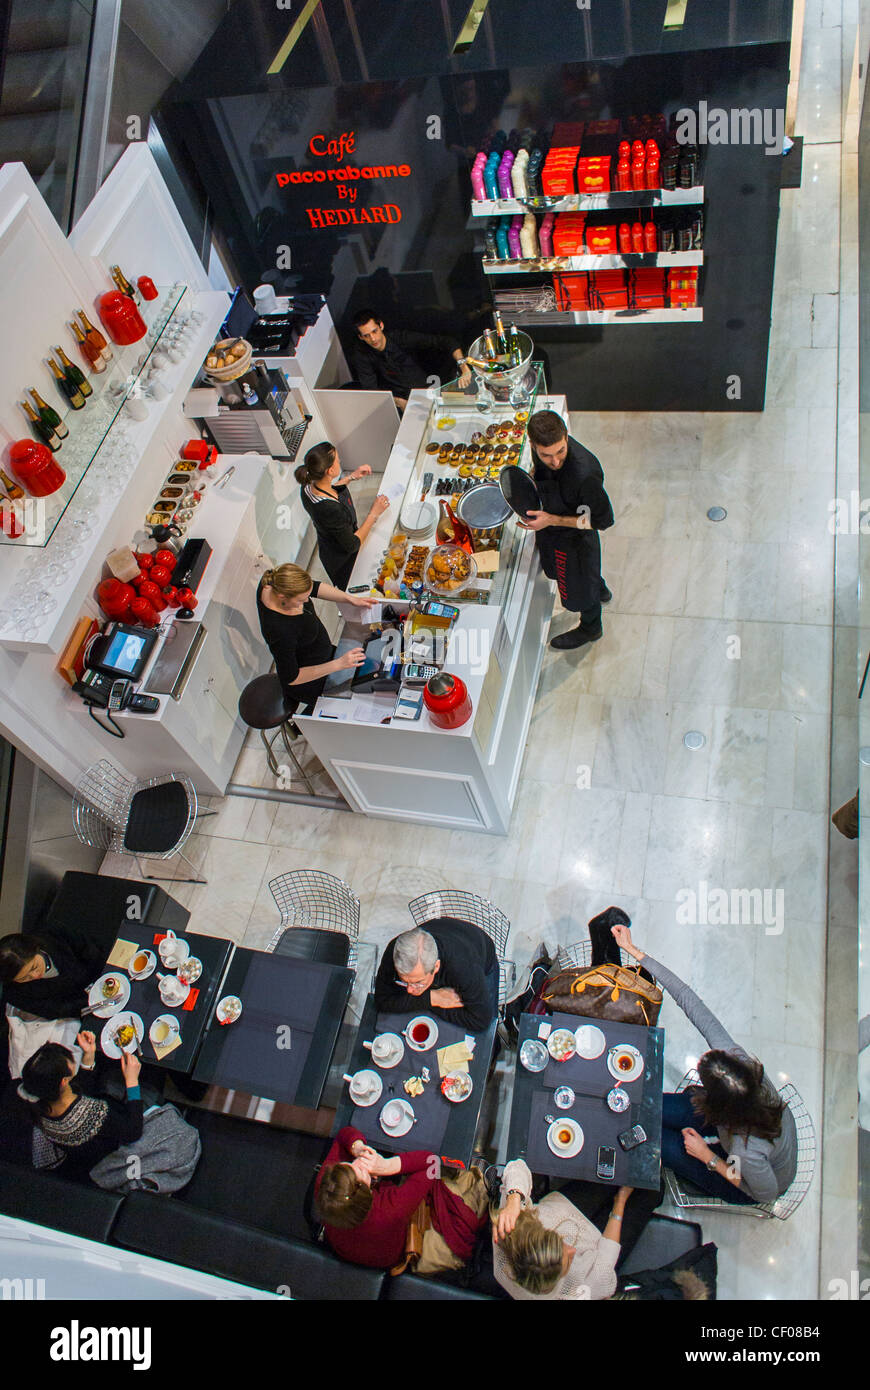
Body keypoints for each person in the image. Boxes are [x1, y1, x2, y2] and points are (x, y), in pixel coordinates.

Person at [611, 921, 798, 1206]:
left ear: (717, 1105)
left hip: (742, 1178)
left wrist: (708, 1157)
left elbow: (766, 1194)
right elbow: (689, 999)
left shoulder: (747, 1150)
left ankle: (697, 1158)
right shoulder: (740, 1064)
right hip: (734, 1126)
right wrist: (634, 951)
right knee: (648, 1105)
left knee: (660, 1141)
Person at [314, 1125, 488, 1274]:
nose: (359, 1162)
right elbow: (432, 1163)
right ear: (368, 1192)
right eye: (360, 1171)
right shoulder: (391, 1209)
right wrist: (386, 1166)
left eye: (350, 1164)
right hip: (388, 1256)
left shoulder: (328, 1186)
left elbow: (343, 1134)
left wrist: (357, 1148)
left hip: (350, 1248)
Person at [492, 1157, 649, 1300]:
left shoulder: (509, 1237)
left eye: (560, 1242)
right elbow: (606, 1259)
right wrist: (620, 1201)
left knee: (616, 1166)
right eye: (568, 1262)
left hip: (565, 1208)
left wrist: (513, 1199)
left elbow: (517, 1166)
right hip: (597, 1243)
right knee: (652, 1190)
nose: (572, 1251)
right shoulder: (576, 1295)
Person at [523, 410, 614, 651]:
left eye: (560, 452)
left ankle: (591, 627)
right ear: (533, 444)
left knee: (583, 588)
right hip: (552, 531)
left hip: (577, 540)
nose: (555, 462)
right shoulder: (541, 448)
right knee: (586, 579)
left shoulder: (584, 475)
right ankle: (601, 588)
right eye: (546, 455)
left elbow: (601, 521)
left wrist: (551, 519)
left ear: (566, 435)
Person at [19, 1031, 143, 1180]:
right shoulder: (92, 1113)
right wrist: (132, 1080)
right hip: (107, 1150)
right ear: (64, 1081)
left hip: (85, 1148)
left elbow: (80, 1090)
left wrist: (88, 1055)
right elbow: (133, 1132)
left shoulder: (41, 1106)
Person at [256, 562, 372, 708]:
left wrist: (349, 599)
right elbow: (292, 677)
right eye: (300, 600)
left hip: (327, 655)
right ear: (282, 597)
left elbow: (314, 587)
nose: (306, 601)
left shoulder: (276, 581)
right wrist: (338, 664)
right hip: (314, 682)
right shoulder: (278, 631)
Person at [296, 440, 390, 590]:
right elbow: (352, 544)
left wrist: (350, 477)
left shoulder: (308, 485)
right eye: (337, 460)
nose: (340, 461)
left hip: (329, 544)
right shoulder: (330, 509)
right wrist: (374, 513)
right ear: (329, 471)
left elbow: (329, 489)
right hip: (342, 560)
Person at [373, 921, 498, 1032]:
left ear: (436, 966)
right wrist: (432, 999)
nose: (409, 990)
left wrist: (423, 1004)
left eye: (418, 982)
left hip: (479, 954)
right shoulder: (396, 952)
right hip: (447, 932)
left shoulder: (463, 968)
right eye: (404, 982)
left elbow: (481, 1020)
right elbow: (381, 1000)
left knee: (489, 1030)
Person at [350, 308, 471, 411]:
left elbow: (446, 342)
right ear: (360, 337)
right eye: (366, 336)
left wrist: (463, 365)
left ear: (381, 325)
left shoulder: (400, 338)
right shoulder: (362, 355)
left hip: (430, 389)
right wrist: (398, 402)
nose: (373, 339)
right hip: (401, 403)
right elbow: (373, 392)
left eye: (374, 331)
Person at [0, 929, 113, 1021]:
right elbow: (56, 1010)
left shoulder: (50, 935)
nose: (35, 976)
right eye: (24, 978)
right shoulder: (13, 993)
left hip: (101, 971)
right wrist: (94, 1001)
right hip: (86, 1004)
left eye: (34, 967)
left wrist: (107, 974)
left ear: (35, 949)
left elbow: (89, 949)